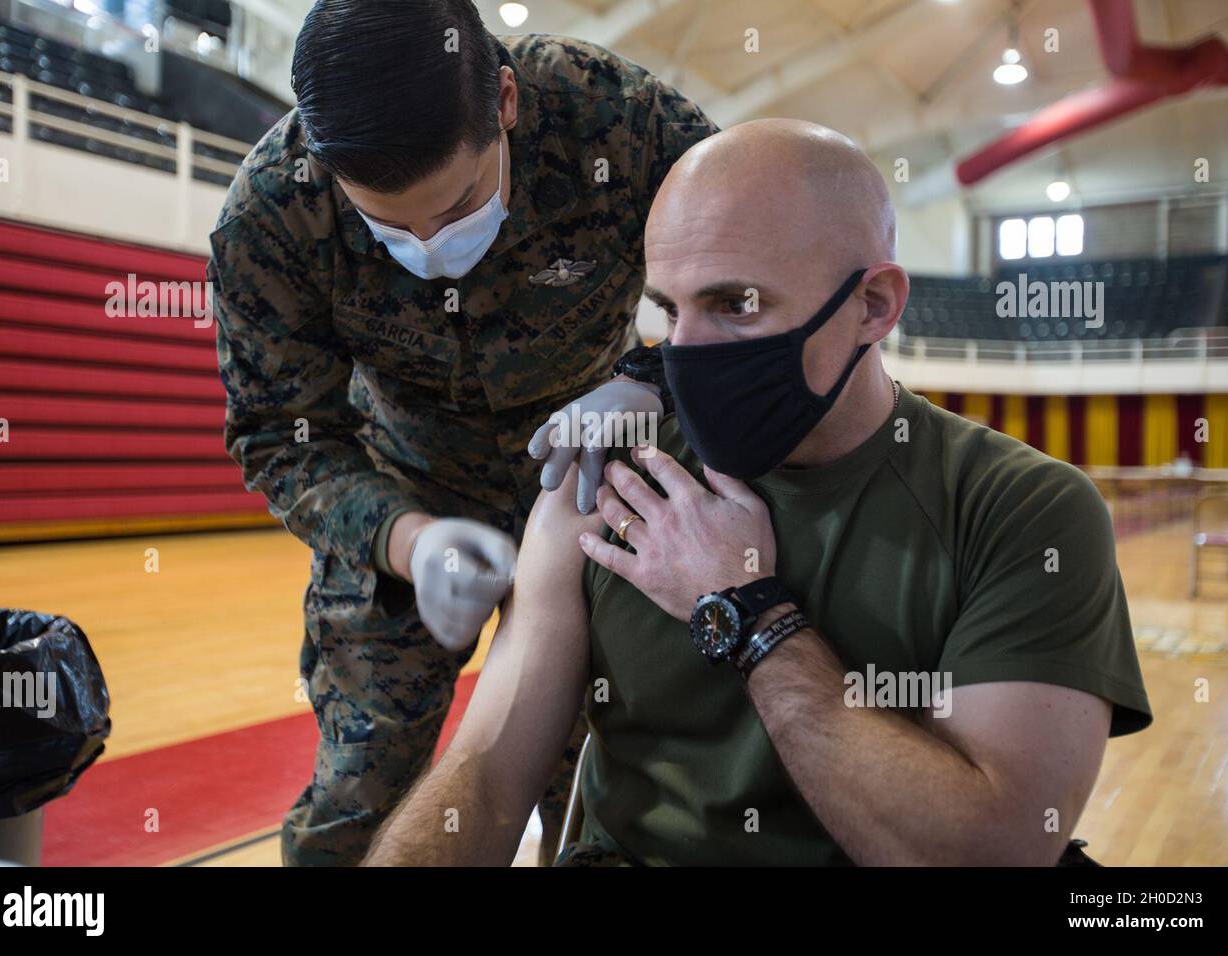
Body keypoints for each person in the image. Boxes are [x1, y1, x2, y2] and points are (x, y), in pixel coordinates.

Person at [363, 119, 1152, 866]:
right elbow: (487, 779)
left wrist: (745, 607)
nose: (684, 354)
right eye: (670, 309)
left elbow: (987, 852)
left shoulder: (1022, 510)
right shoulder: (607, 476)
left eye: (736, 305)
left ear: (872, 306)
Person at [207, 0, 715, 866]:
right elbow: (280, 435)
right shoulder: (269, 218)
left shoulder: (614, 115)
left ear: (507, 104)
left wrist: (647, 380)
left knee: (588, 784)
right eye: (388, 225)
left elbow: (747, 271)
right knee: (359, 791)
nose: (430, 244)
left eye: (457, 205)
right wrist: (408, 542)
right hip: (400, 486)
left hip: (592, 481)